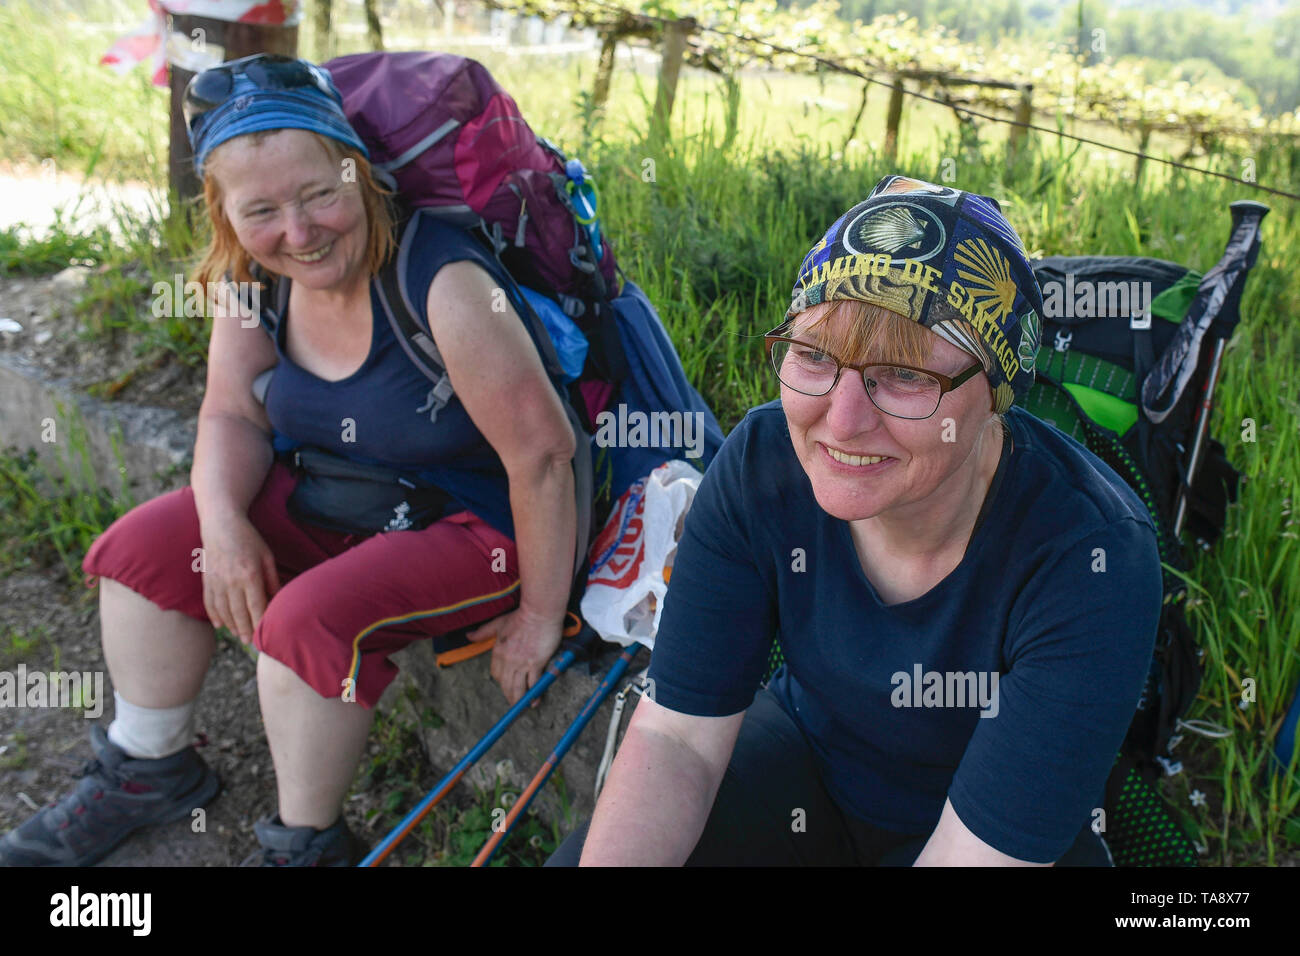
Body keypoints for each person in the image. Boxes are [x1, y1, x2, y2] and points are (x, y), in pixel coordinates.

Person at [1, 55, 579, 867]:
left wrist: (540, 617)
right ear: (225, 214)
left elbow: (545, 457)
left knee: (305, 621)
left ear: (363, 176)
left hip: (479, 521)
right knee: (143, 550)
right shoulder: (250, 277)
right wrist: (224, 526)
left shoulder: (441, 282)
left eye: (320, 195)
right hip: (338, 499)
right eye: (262, 209)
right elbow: (231, 412)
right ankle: (149, 765)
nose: (299, 234)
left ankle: (305, 846)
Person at [548, 175, 1163, 866]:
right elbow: (678, 739)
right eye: (814, 356)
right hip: (807, 768)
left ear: (992, 397)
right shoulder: (763, 465)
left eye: (904, 376)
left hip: (999, 833)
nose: (841, 422)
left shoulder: (1091, 556)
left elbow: (980, 856)